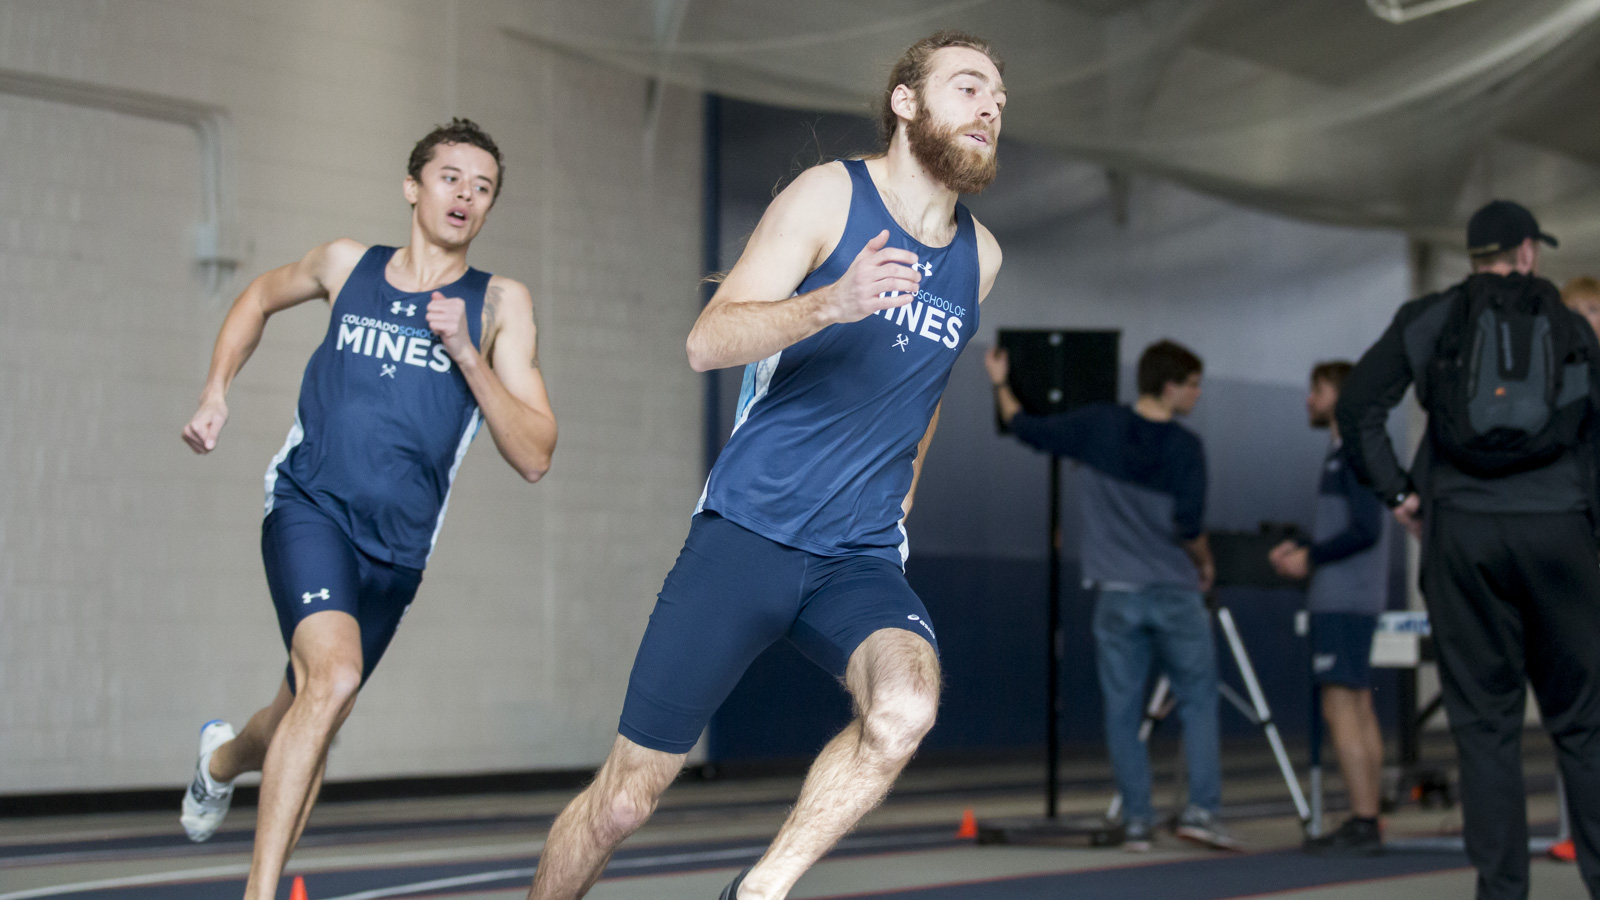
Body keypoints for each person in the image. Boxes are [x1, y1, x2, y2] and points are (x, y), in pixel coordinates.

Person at [524, 32, 1004, 900]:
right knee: (626, 802)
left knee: (905, 708)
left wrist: (899, 513)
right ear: (906, 103)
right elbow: (708, 340)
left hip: (857, 558)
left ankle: (760, 889)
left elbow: (921, 402)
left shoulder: (983, 259)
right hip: (747, 536)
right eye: (969, 87)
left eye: (999, 100)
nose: (990, 108)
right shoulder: (830, 196)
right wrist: (830, 302)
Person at [177, 119, 558, 900]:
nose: (465, 195)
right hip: (310, 505)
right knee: (336, 678)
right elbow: (257, 296)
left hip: (396, 554)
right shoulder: (348, 264)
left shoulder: (498, 306)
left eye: (482, 188)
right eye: (451, 177)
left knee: (308, 713)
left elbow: (535, 452)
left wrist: (467, 355)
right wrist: (216, 390)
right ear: (413, 187)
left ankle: (220, 760)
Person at [1337, 199, 1600, 899]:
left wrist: (1399, 495)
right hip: (1562, 536)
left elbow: (1359, 406)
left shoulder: (1430, 317)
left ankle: (1502, 890)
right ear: (1527, 251)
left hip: (1462, 536)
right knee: (1583, 724)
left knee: (1486, 729)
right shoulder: (1569, 323)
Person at [986, 339, 1240, 853]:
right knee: (1197, 701)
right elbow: (1190, 528)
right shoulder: (1187, 448)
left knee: (1123, 711)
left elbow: (1025, 429)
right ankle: (1201, 812)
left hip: (1117, 595)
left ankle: (1139, 823)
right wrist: (1207, 564)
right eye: (1192, 384)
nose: (1197, 393)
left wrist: (999, 383)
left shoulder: (1098, 425)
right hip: (1175, 593)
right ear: (1169, 386)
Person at [1268, 361, 1388, 856]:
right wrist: (1303, 545)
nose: (1308, 400)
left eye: (1315, 390)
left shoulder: (1355, 449)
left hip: (1345, 598)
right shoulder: (1345, 450)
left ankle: (1365, 819)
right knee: (1354, 702)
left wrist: (1311, 557)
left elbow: (1366, 528)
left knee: (1343, 706)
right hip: (1348, 596)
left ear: (1340, 393)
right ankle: (1367, 816)